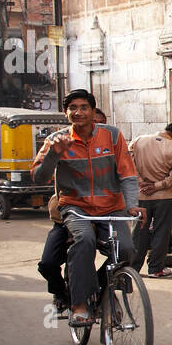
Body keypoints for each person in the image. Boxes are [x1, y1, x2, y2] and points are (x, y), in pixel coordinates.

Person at [33, 89, 142, 328]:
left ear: (93, 112)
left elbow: (127, 173)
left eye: (84, 107)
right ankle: (79, 304)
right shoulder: (57, 140)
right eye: (73, 107)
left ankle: (102, 290)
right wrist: (54, 154)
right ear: (66, 112)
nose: (78, 112)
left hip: (111, 208)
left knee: (126, 250)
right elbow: (38, 176)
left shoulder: (112, 136)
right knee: (83, 242)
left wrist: (132, 204)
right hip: (75, 207)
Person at [129, 122, 172, 278]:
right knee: (161, 231)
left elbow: (128, 164)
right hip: (164, 197)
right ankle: (155, 268)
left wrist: (140, 181)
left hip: (142, 194)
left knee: (139, 231)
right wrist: (157, 185)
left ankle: (133, 267)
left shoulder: (139, 141)